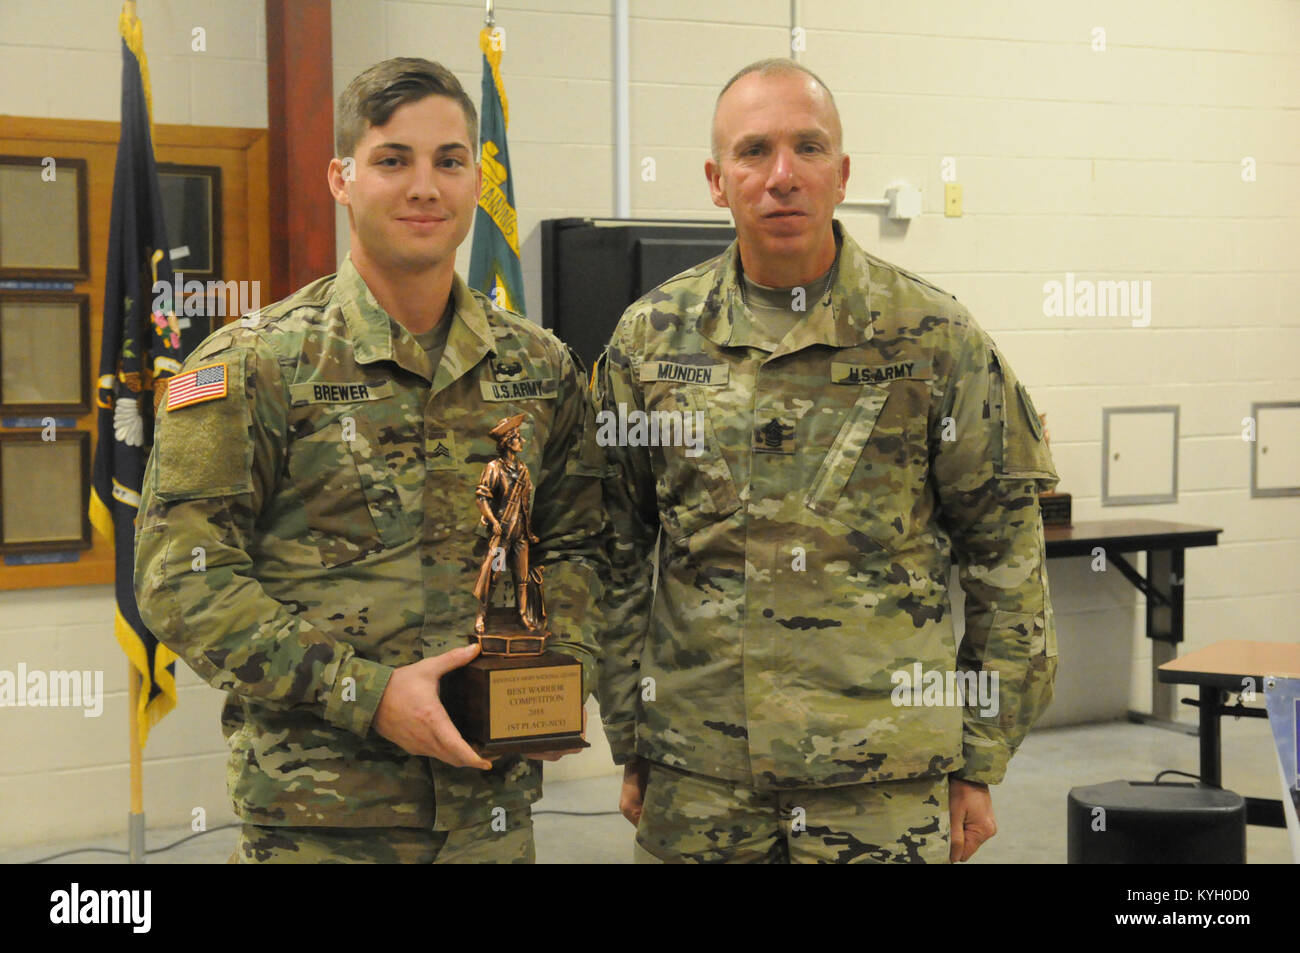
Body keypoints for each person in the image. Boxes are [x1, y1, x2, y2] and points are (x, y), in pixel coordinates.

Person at [134, 57, 606, 864]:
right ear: (342, 178)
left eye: (449, 161)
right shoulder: (257, 363)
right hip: (320, 819)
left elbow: (584, 544)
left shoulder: (540, 367)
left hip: (490, 810)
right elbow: (181, 577)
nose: (425, 186)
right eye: (394, 160)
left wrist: (563, 676)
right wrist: (368, 693)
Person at [593, 58, 1060, 864]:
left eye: (808, 149)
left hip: (881, 778)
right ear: (715, 179)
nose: (781, 176)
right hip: (700, 774)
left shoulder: (934, 339)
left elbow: (1007, 560)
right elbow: (613, 550)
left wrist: (981, 755)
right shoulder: (651, 340)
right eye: (753, 152)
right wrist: (631, 731)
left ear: (842, 175)